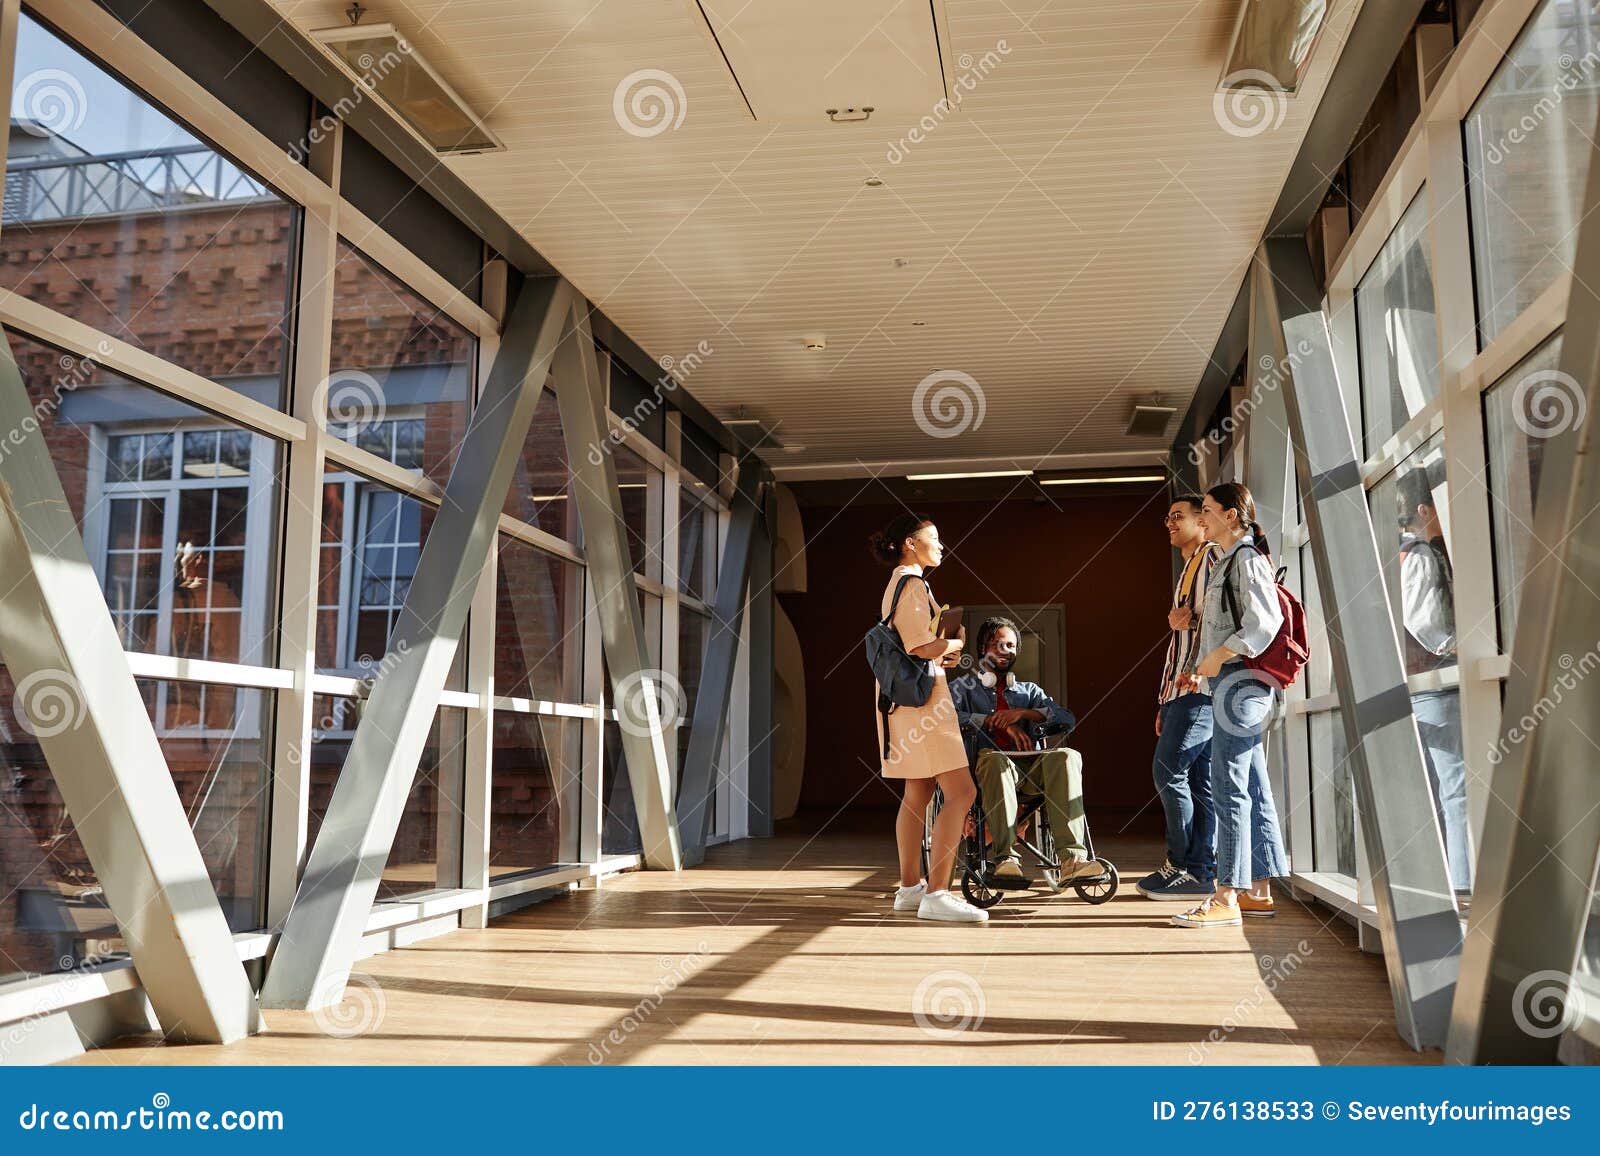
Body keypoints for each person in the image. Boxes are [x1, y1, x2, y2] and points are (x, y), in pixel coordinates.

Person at [1172, 482, 1290, 929]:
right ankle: (1258, 890)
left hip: (1241, 683)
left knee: (1228, 786)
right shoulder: (1231, 559)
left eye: (1207, 510)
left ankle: (1226, 895)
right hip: (1235, 681)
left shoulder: (1245, 559)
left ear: (1232, 516)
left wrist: (1218, 656)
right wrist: (1207, 666)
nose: (1201, 517)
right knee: (1252, 784)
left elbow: (1265, 622)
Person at [869, 513, 988, 923]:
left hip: (902, 704)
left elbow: (917, 645)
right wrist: (954, 641)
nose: (941, 545)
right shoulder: (914, 584)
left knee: (917, 792)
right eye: (933, 538)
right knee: (961, 793)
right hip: (927, 705)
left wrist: (945, 650)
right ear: (909, 542)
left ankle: (909, 888)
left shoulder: (898, 585)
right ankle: (938, 893)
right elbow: (920, 646)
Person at [948, 617, 1100, 887]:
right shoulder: (964, 689)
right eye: (997, 644)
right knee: (996, 761)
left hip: (1030, 771)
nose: (1005, 650)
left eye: (1010, 645)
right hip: (988, 771)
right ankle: (1006, 858)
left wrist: (1023, 713)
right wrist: (989, 721)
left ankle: (1072, 860)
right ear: (983, 649)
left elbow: (1066, 718)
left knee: (1067, 756)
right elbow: (947, 716)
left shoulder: (1029, 691)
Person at [1138, 495, 1218, 900]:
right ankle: (1200, 871)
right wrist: (1164, 699)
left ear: (1203, 521)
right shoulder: (1189, 567)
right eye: (1167, 517)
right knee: (1199, 783)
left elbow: (1222, 622)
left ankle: (1183, 866)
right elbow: (1181, 638)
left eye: (1178, 516)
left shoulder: (1212, 558)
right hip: (1179, 692)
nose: (1170, 523)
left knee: (1167, 773)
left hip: (1199, 689)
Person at [1397, 464, 1472, 894]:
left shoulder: (1395, 554)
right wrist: (1468, 645)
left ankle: (1434, 880)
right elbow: (1430, 626)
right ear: (1425, 508)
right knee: (1455, 785)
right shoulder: (1422, 554)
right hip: (1435, 683)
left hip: (1411, 683)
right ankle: (1461, 882)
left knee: (1429, 787)